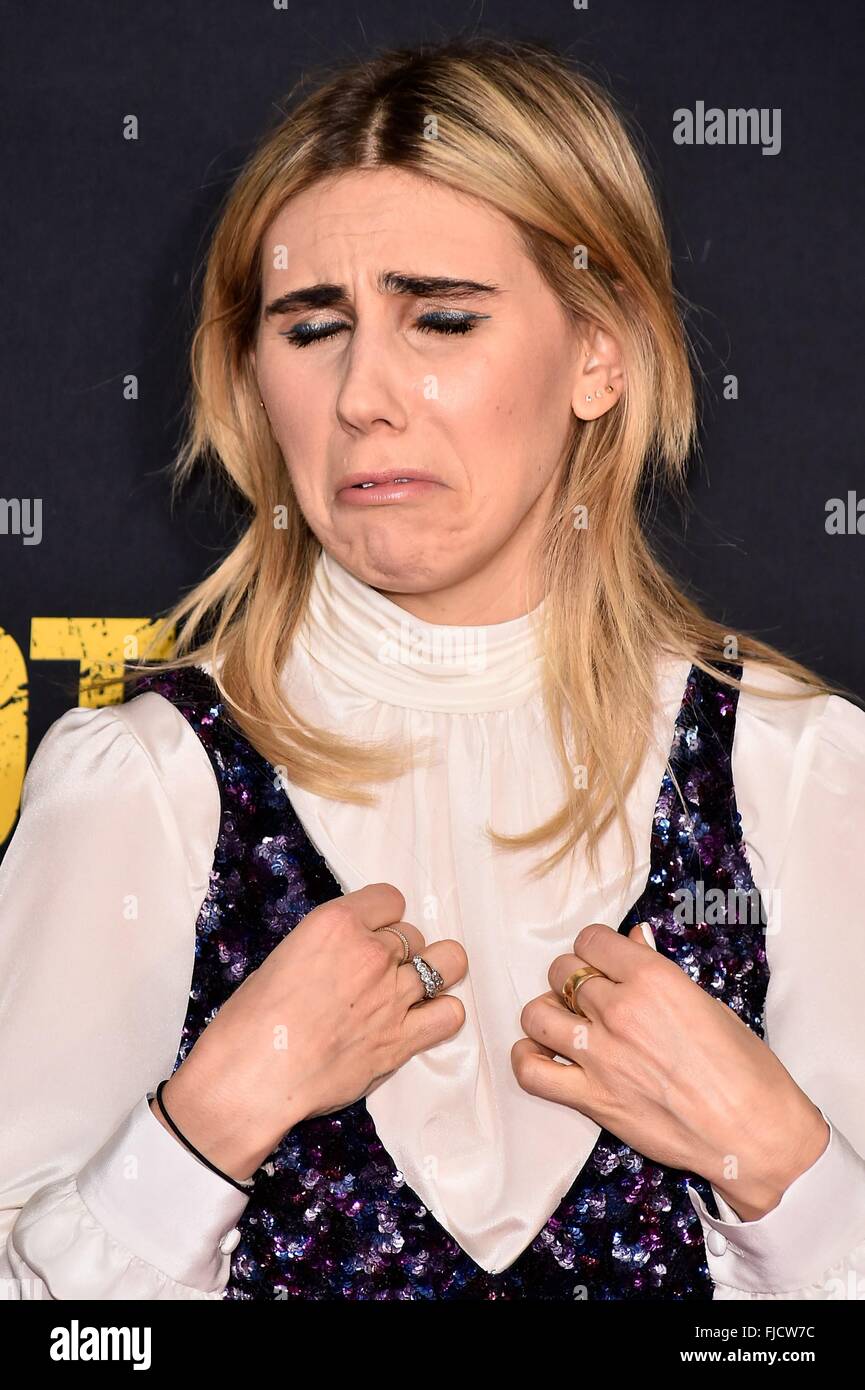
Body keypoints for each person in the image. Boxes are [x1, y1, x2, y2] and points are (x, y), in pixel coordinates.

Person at [2, 36, 864, 1302]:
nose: (363, 395)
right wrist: (204, 1131)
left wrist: (782, 1165)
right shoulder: (139, 784)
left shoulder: (797, 771)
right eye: (312, 327)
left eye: (442, 318)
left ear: (598, 354)